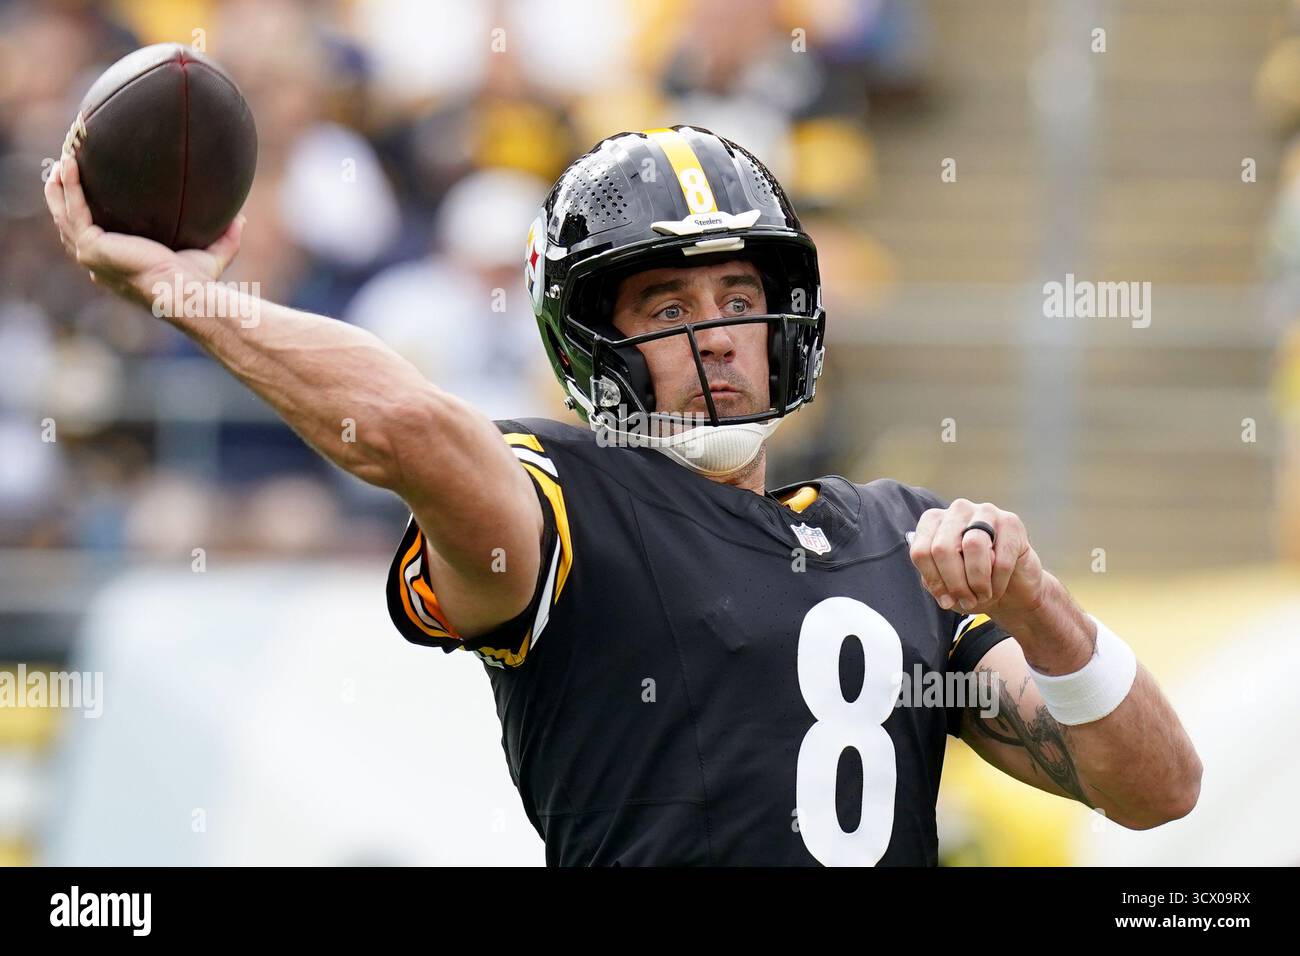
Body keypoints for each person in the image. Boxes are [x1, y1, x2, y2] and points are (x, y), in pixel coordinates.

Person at [46, 124, 1201, 866]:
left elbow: (1157, 792)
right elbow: (408, 430)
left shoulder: (900, 532)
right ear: (595, 341)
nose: (718, 339)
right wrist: (196, 299)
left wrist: (1041, 604)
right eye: (667, 310)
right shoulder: (564, 501)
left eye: (741, 295)